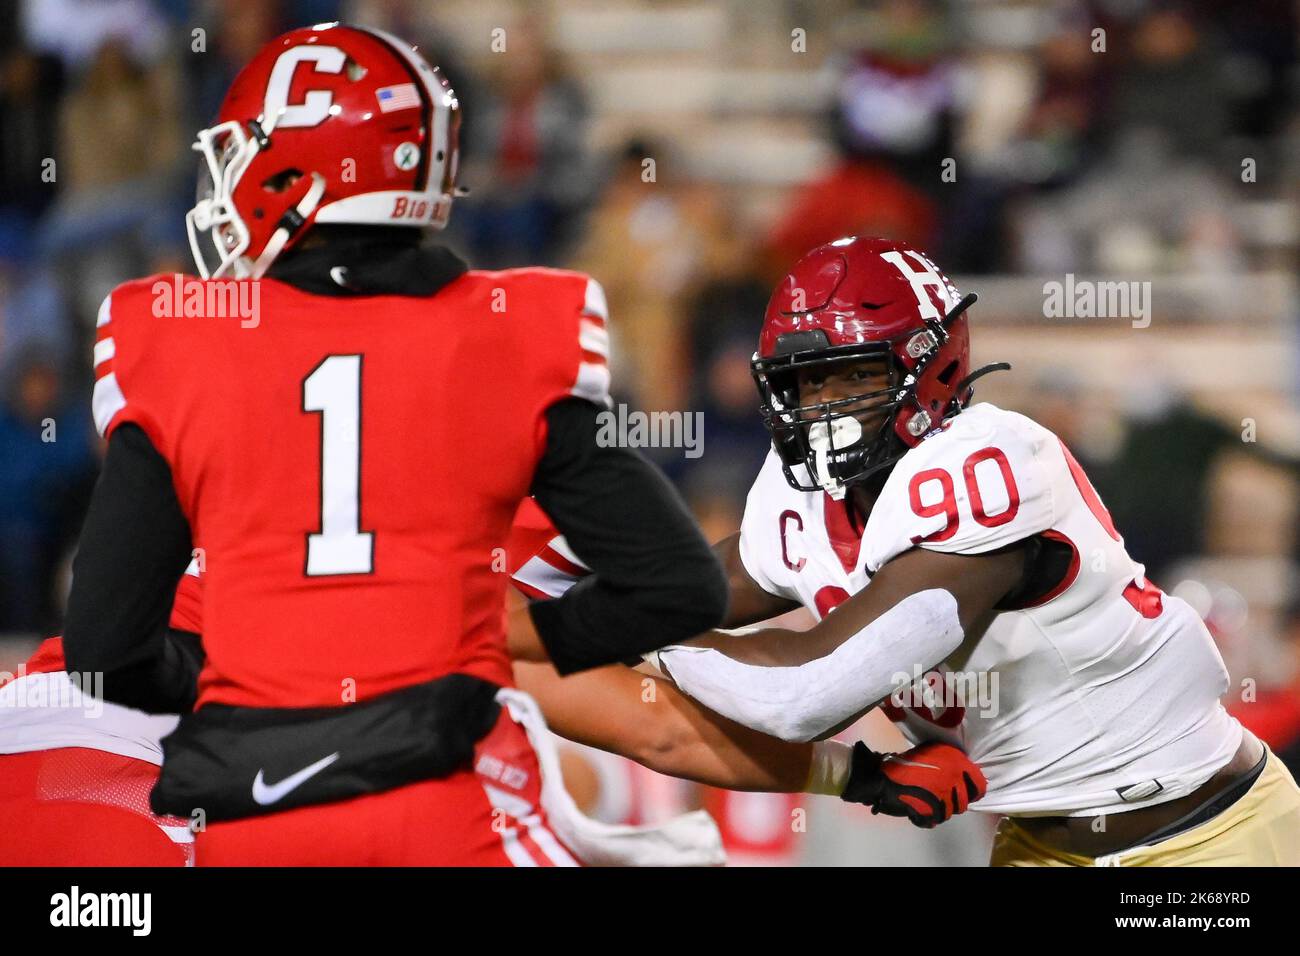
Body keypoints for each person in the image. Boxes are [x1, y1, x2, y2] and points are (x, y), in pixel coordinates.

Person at [60, 23, 730, 866]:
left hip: (253, 818)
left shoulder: (178, 342)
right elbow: (677, 588)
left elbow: (104, 652)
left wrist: (231, 675)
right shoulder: (510, 332)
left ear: (295, 174)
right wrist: (494, 643)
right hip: (443, 798)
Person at [517, 235, 1300, 866]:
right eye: (804, 383)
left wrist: (613, 625)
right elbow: (688, 587)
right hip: (1036, 843)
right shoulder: (803, 497)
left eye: (850, 375)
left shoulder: (988, 464)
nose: (822, 408)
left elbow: (805, 692)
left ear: (935, 366)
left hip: (1205, 839)